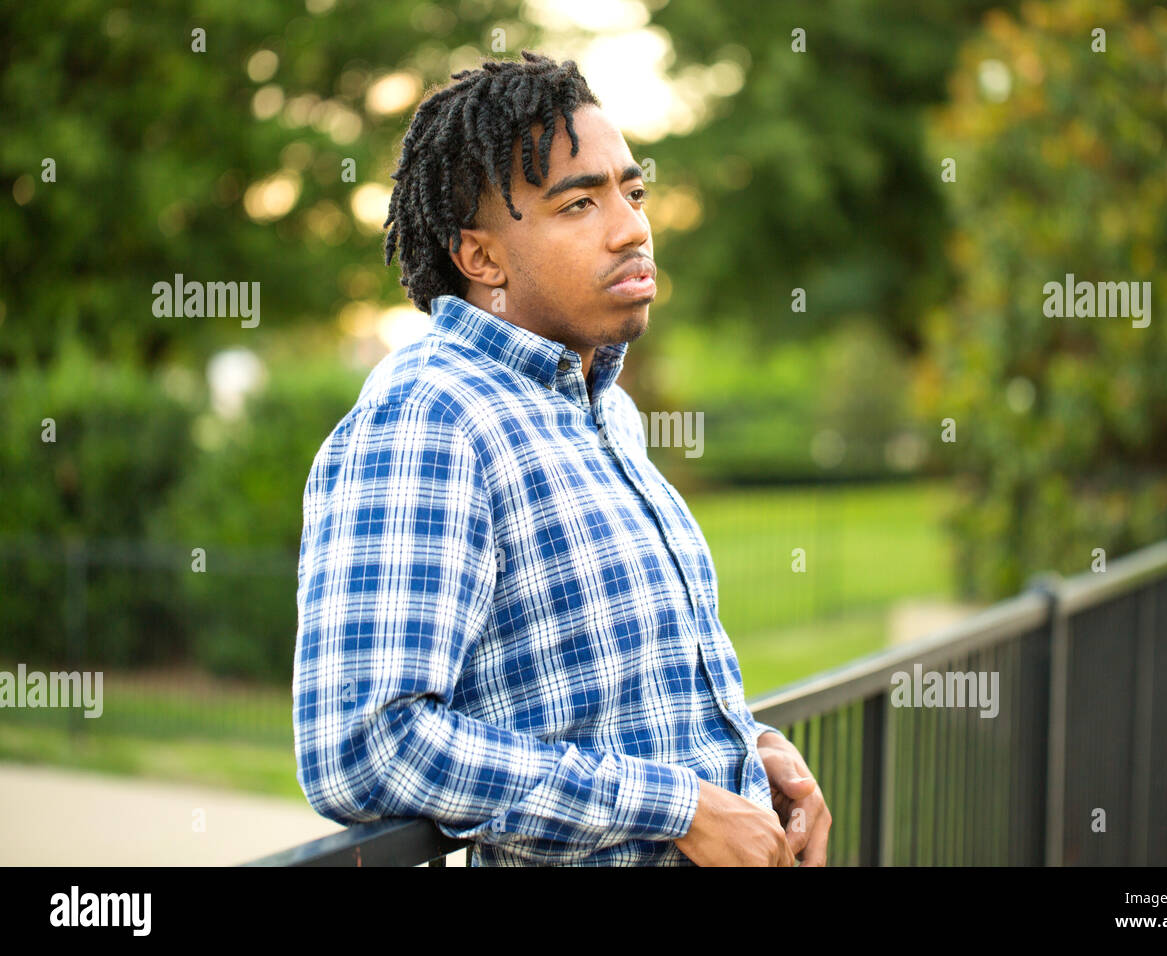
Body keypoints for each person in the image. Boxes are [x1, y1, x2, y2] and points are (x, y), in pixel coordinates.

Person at [292, 50, 831, 866]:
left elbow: (598, 695)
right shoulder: (431, 417)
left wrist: (739, 751)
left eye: (632, 191)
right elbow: (365, 744)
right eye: (579, 203)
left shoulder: (600, 407)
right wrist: (678, 805)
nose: (632, 227)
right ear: (480, 258)